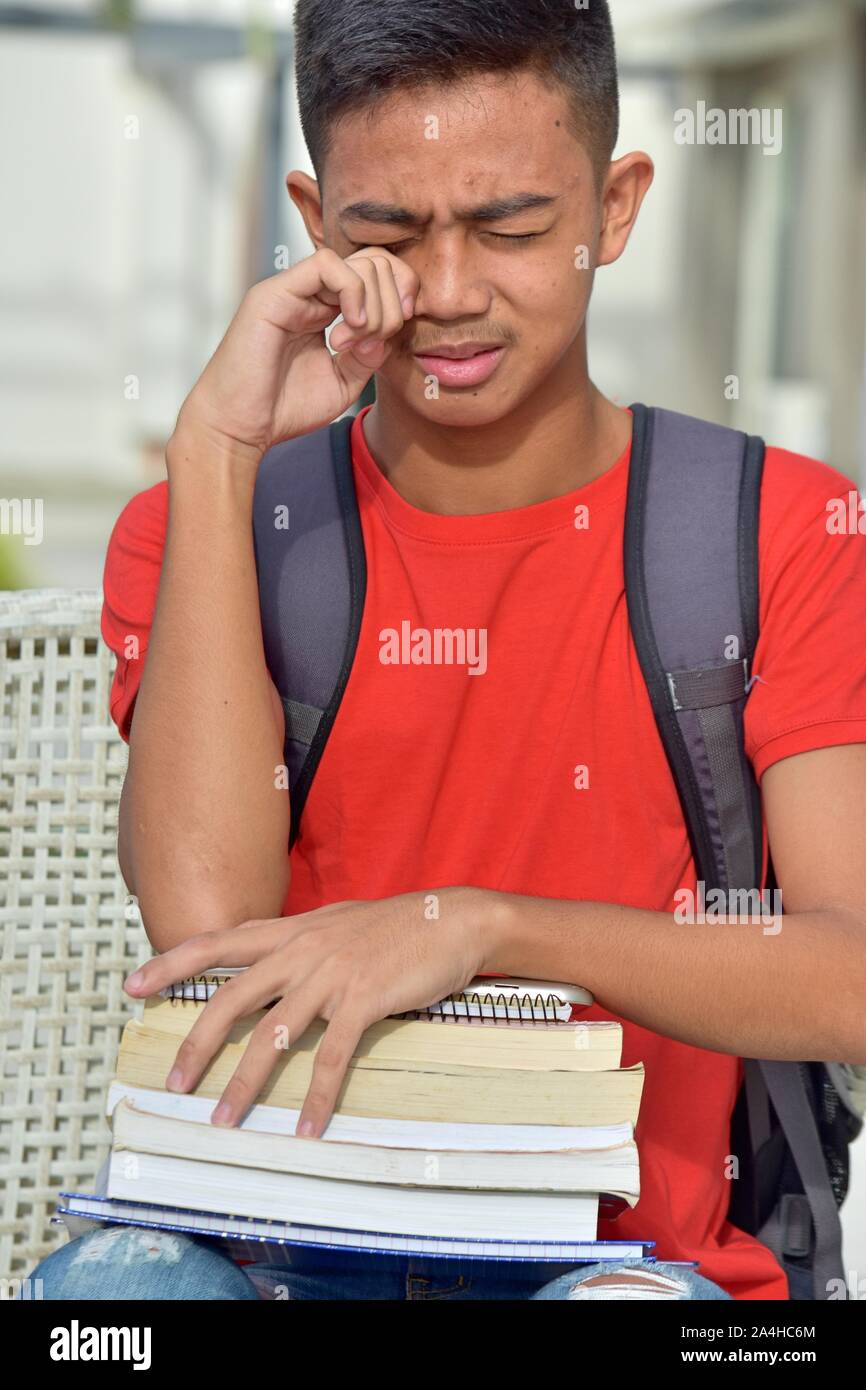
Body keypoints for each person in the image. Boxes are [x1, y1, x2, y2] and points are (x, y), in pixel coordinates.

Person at [29, 0, 866, 1301]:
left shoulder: (787, 531)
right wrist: (213, 454)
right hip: (274, 1255)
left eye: (513, 226)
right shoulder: (212, 522)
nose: (454, 292)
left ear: (616, 205)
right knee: (100, 1309)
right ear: (316, 223)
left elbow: (849, 971)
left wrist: (480, 927)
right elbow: (204, 925)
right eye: (389, 234)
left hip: (632, 1265)